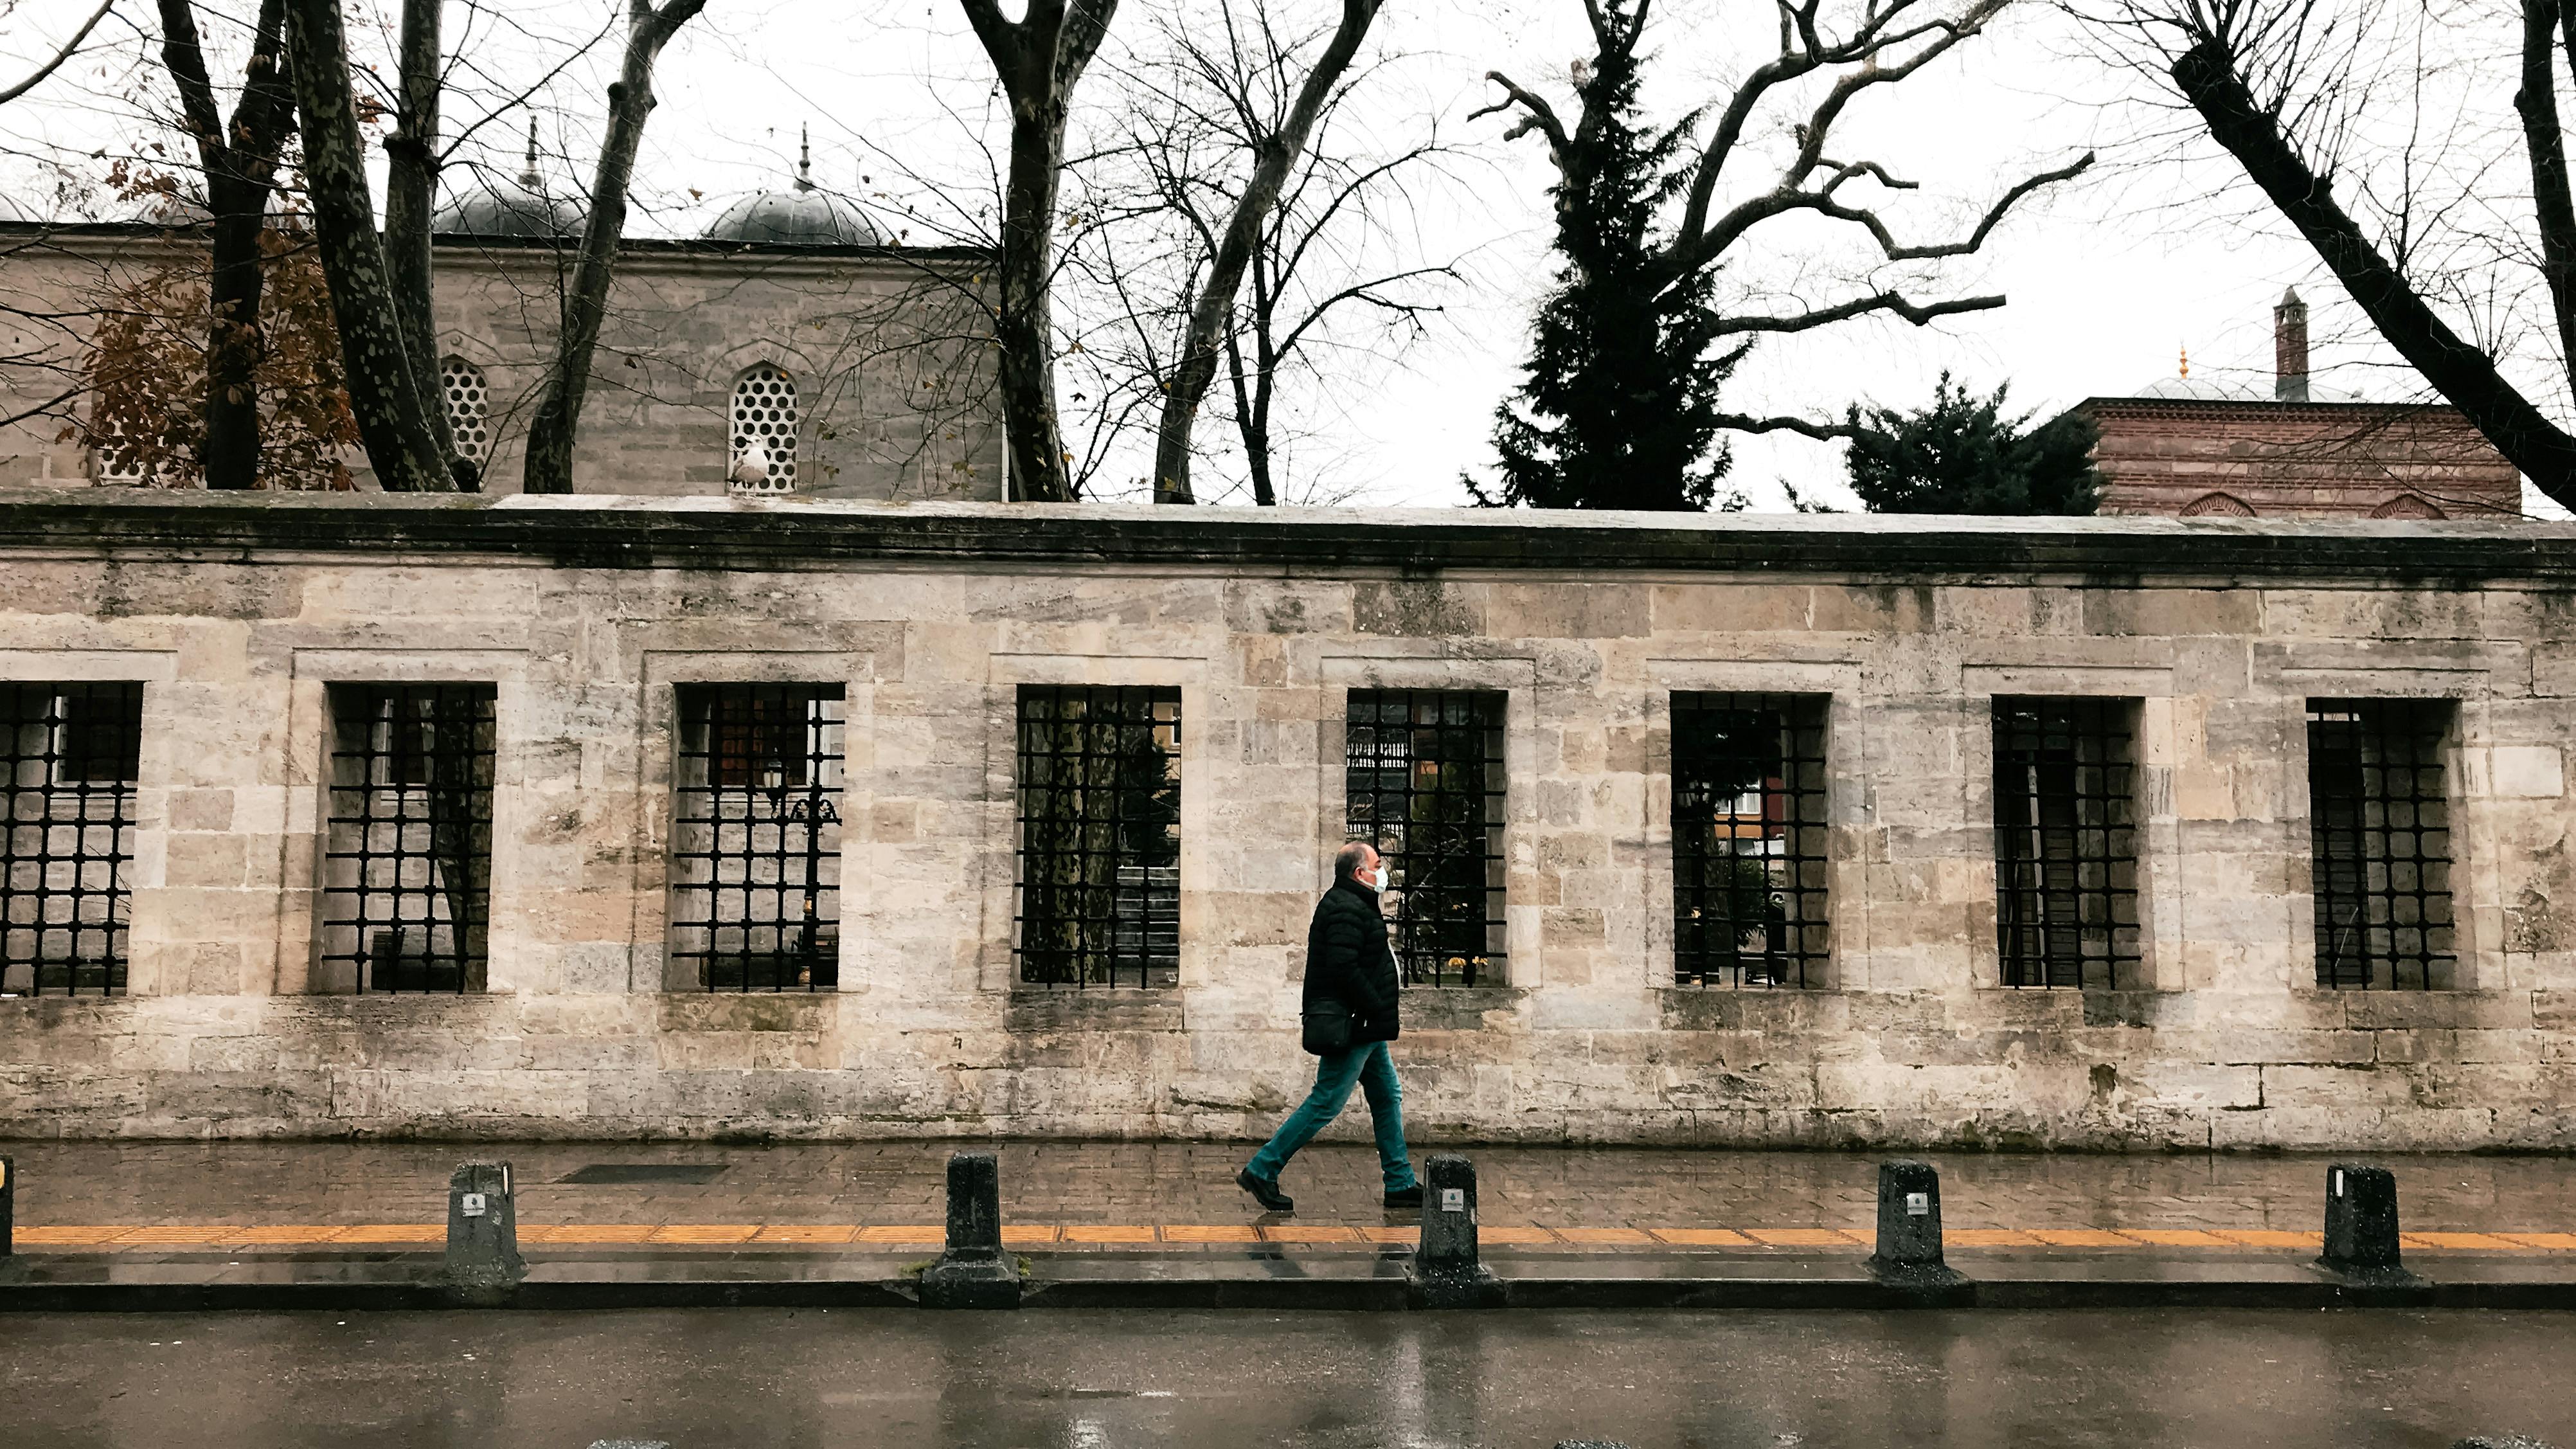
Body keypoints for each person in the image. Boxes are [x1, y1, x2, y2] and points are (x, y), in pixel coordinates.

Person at [1237, 840, 1422, 1214]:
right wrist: (1376, 1006)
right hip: (1355, 1022)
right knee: (1327, 1101)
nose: (1382, 869)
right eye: (1377, 863)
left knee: (1387, 1095)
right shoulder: (1344, 907)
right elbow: (1343, 968)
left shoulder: (1355, 903)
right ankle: (1263, 1169)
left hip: (1366, 1024)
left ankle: (1400, 1182)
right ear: (1360, 872)